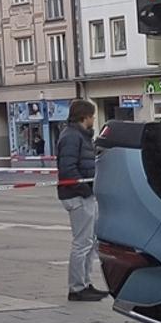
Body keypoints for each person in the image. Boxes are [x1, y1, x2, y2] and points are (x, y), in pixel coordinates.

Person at [56, 100, 105, 302]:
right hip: (77, 195)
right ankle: (76, 288)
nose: (94, 119)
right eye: (92, 116)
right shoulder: (71, 137)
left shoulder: (80, 136)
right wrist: (85, 190)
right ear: (84, 117)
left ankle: (85, 283)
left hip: (84, 193)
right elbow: (68, 169)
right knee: (82, 243)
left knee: (90, 242)